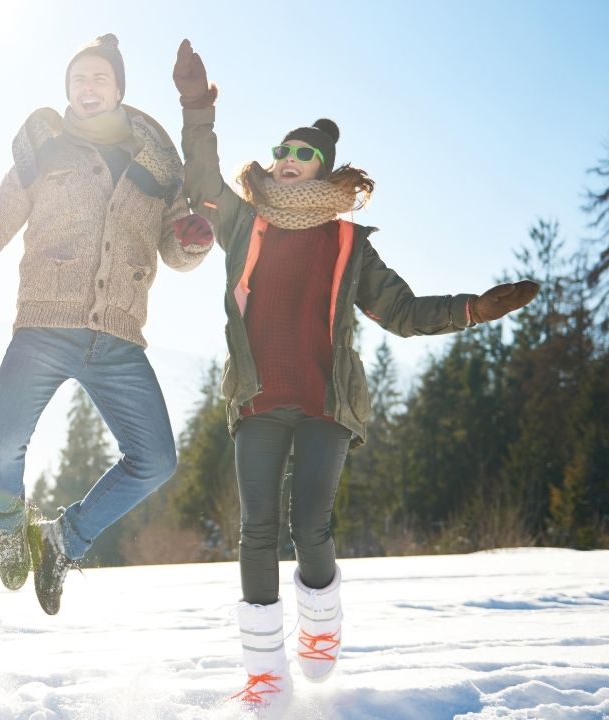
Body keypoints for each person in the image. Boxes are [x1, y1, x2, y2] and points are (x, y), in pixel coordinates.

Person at [173, 39, 539, 714]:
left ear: (324, 170)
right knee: (257, 531)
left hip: (325, 404)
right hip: (256, 400)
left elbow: (400, 312)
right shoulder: (244, 224)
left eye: (303, 153)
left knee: (310, 526)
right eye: (283, 149)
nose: (287, 159)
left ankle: (321, 624)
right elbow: (201, 179)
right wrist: (197, 107)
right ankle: (264, 673)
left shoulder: (347, 243)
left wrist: (473, 311)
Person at [0, 33, 215, 615]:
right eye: (78, 80)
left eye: (99, 78)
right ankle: (11, 526)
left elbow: (178, 250)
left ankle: (66, 539)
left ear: (118, 89)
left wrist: (194, 242)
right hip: (45, 326)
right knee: (3, 445)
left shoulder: (159, 166)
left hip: (118, 337)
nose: (87, 88)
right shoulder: (44, 150)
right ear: (67, 90)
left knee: (156, 460)